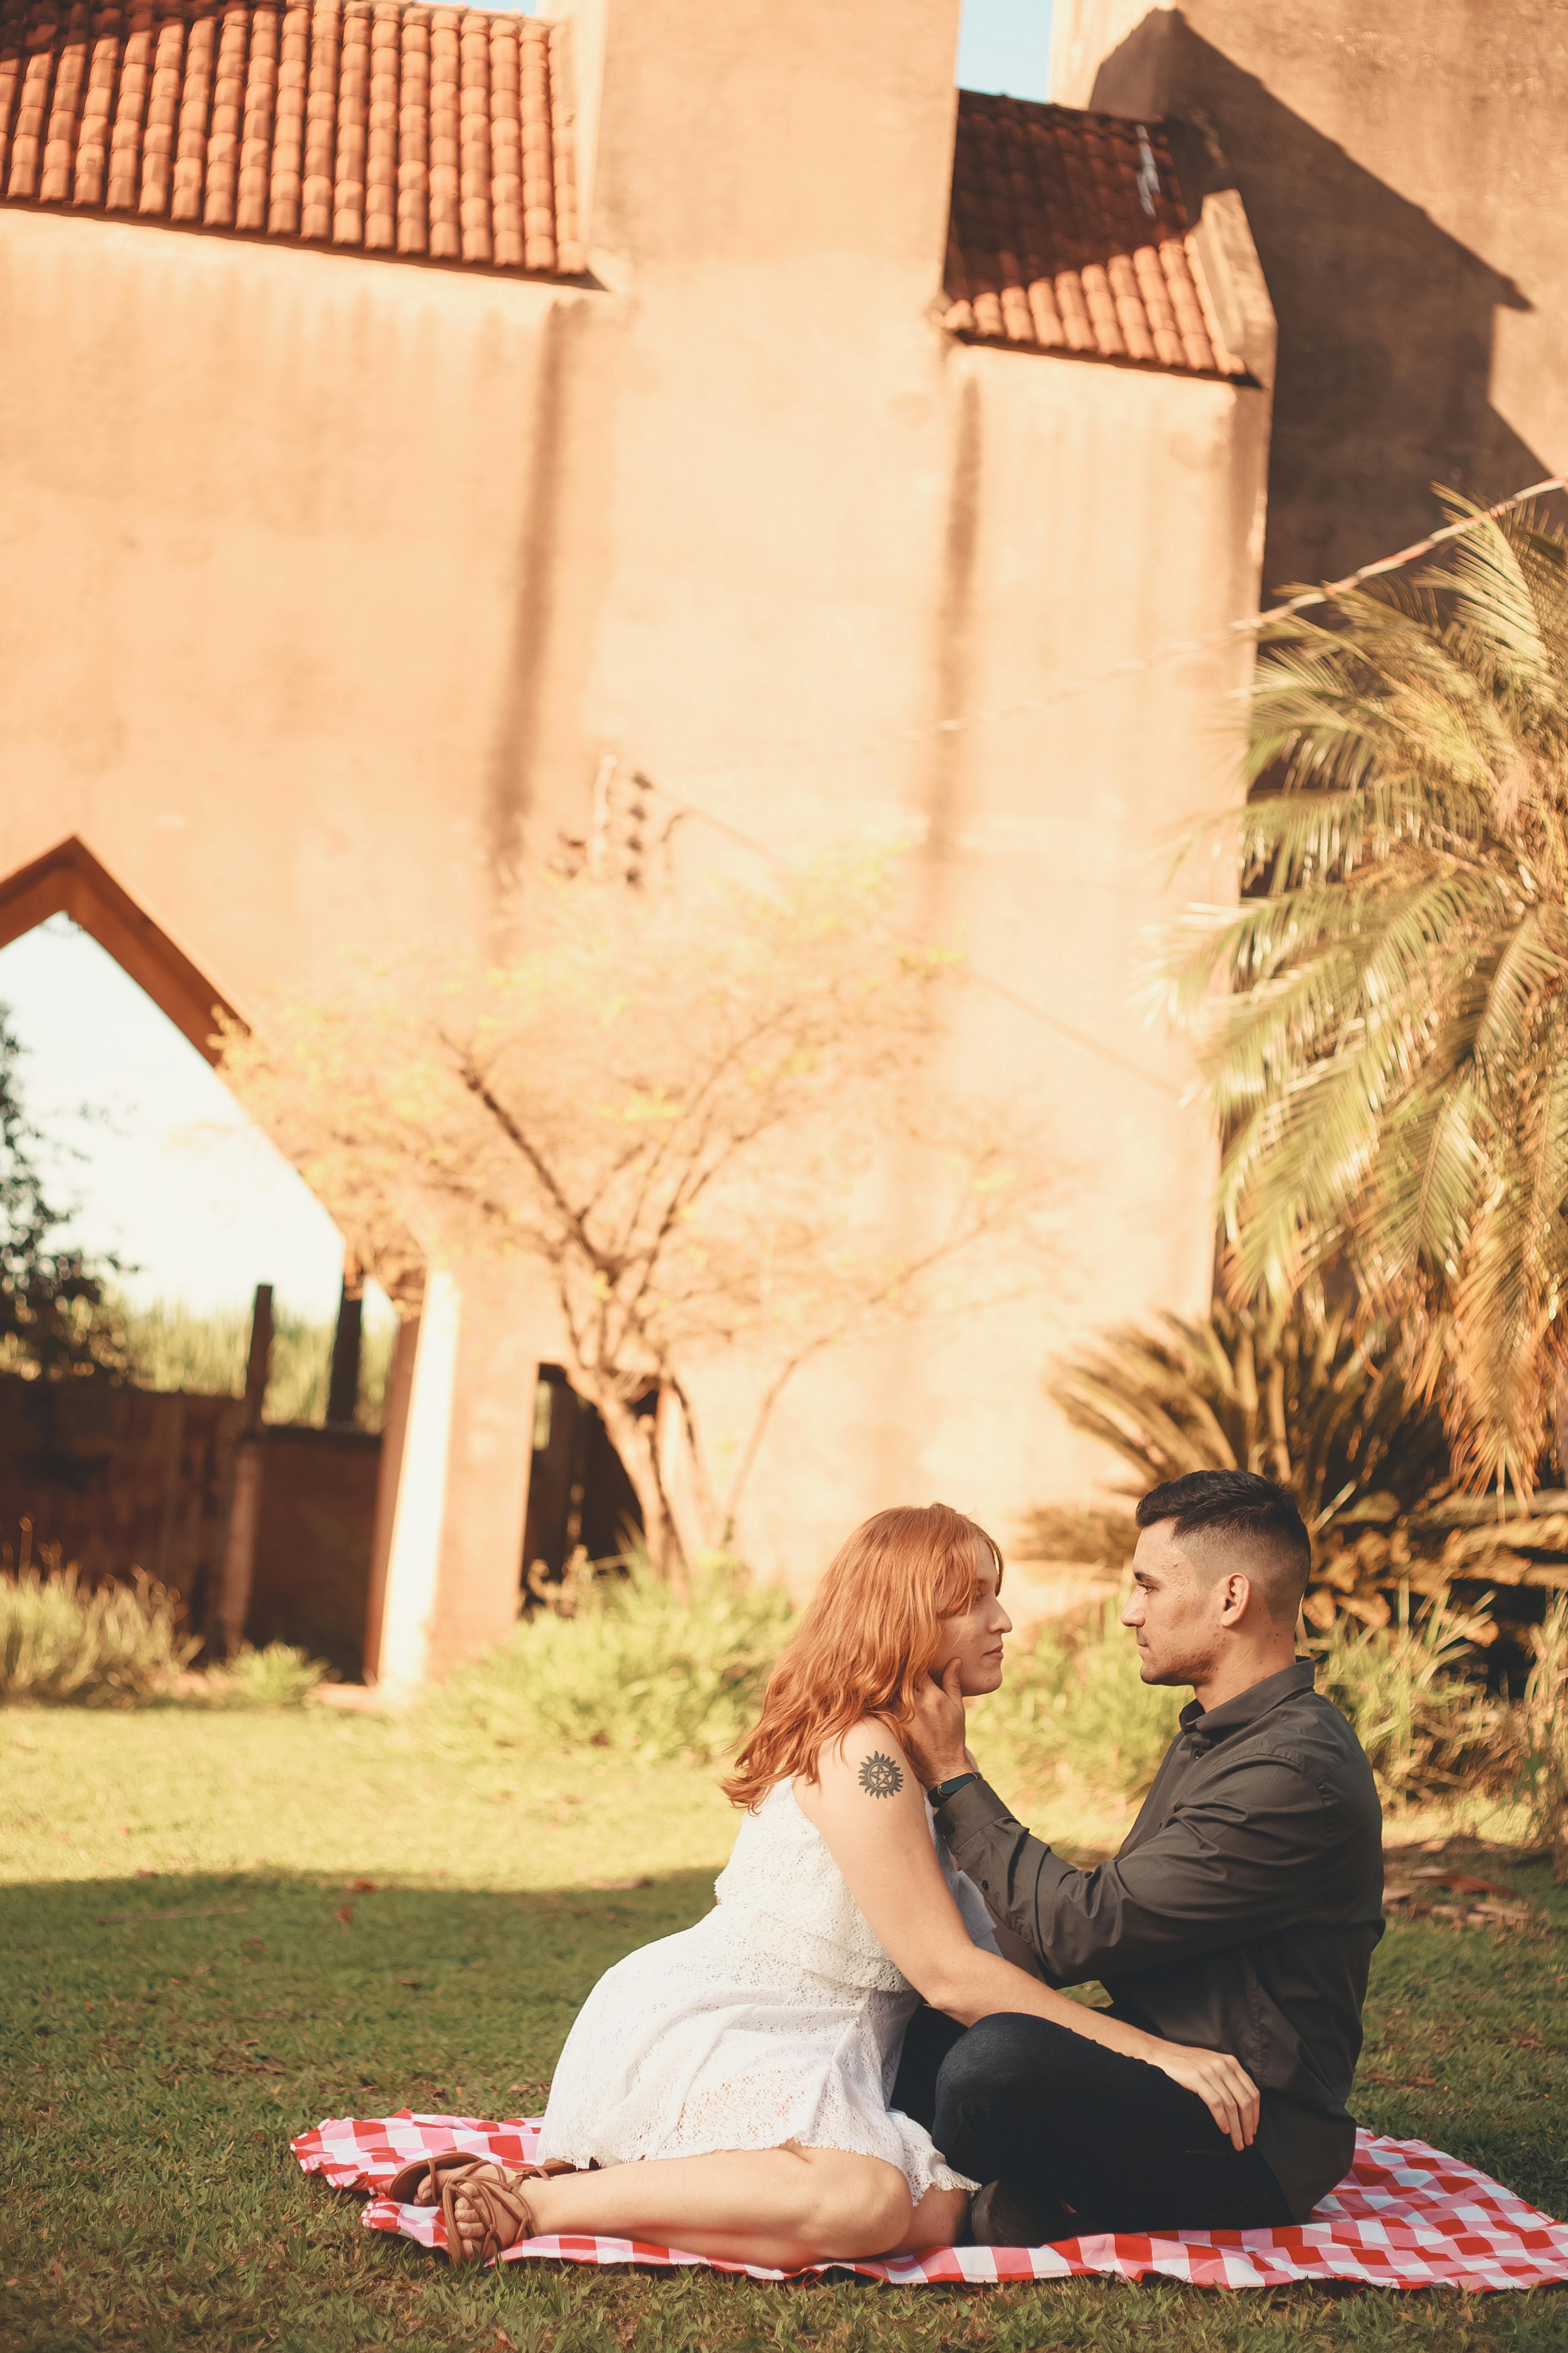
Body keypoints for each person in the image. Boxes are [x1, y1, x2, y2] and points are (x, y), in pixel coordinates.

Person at [391, 1503, 1261, 2269]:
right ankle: (536, 2202)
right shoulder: (865, 1755)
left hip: (826, 2049)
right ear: (911, 1620)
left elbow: (1006, 1940)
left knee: (939, 2204)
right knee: (872, 2203)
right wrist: (1154, 2055)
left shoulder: (904, 1755)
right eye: (975, 1603)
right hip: (728, 2028)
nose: (1004, 1622)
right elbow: (950, 1976)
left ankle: (641, 2189)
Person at [896, 1468, 1385, 2244]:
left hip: (1249, 2137)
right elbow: (1095, 1924)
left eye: (1148, 1586)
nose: (1130, 1613)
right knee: (926, 2017)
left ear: (1231, 1599)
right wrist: (950, 1967)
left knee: (993, 2063)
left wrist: (955, 1776)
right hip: (1163, 2071)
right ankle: (1018, 2198)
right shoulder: (1220, 1734)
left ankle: (1006, 2195)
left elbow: (1084, 1929)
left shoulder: (1290, 1774)